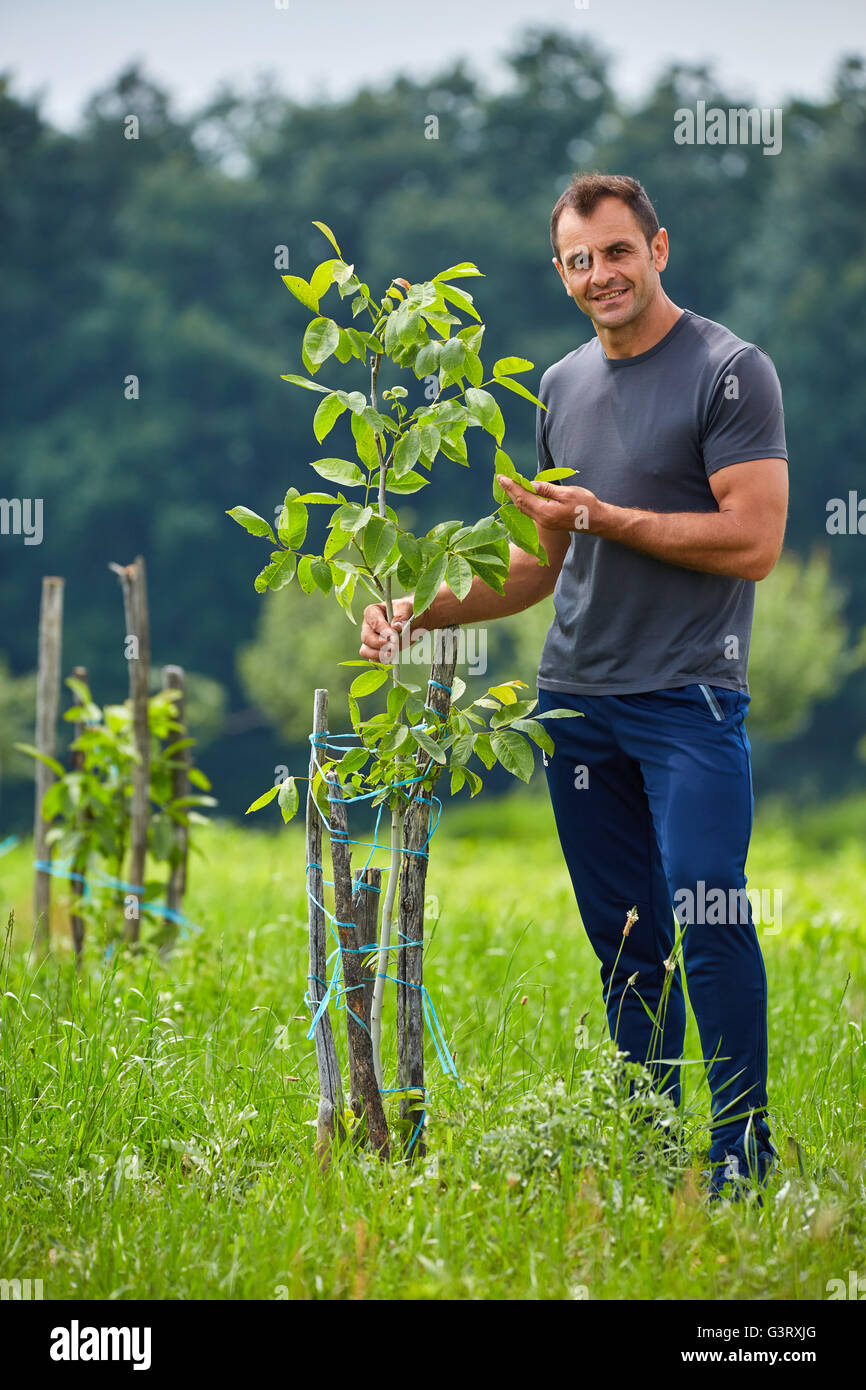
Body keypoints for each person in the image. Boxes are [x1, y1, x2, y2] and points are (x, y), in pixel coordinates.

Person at [359, 172, 788, 1200]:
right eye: (577, 260)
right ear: (559, 273)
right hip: (575, 704)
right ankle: (647, 1143)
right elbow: (540, 567)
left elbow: (752, 541)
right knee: (627, 941)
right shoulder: (559, 387)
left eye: (616, 252)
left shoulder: (730, 372)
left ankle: (739, 1159)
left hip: (687, 698)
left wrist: (609, 518)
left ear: (658, 248)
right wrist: (419, 610)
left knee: (709, 910)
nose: (599, 274)